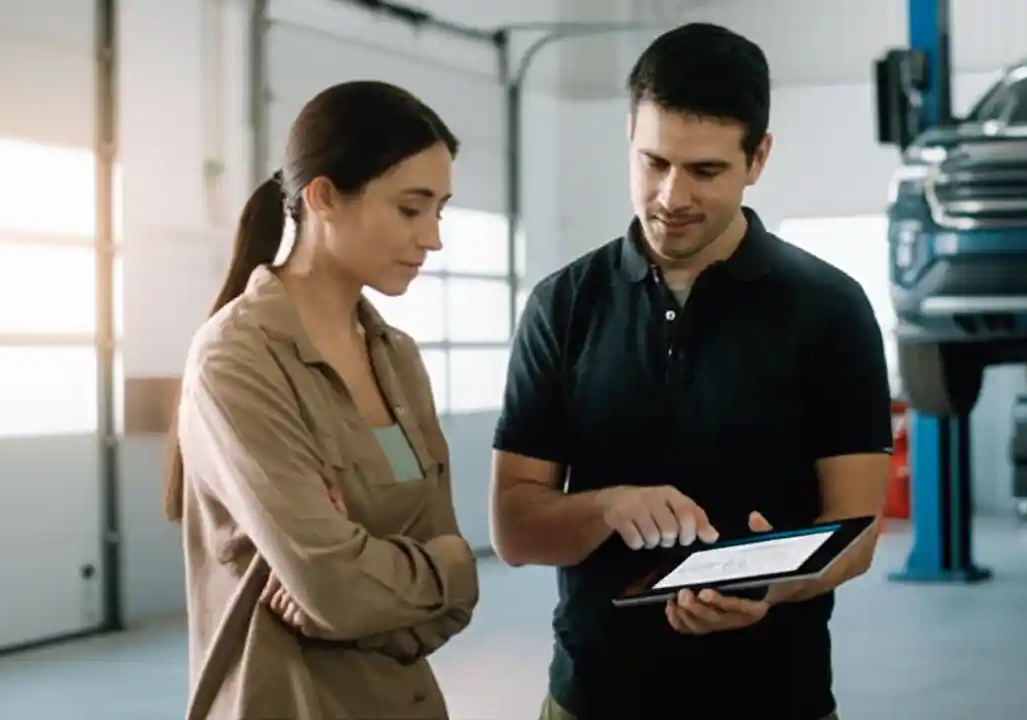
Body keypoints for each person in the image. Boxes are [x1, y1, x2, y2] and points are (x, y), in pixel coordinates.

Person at [489, 23, 892, 720]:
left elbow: (855, 530)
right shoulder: (563, 306)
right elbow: (515, 529)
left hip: (773, 698)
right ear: (629, 137)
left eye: (705, 171)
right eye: (653, 162)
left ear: (758, 157)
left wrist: (773, 585)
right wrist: (606, 505)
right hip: (594, 697)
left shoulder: (830, 308)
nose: (671, 196)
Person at [165, 80, 479, 720]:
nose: (434, 238)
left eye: (440, 210)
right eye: (411, 209)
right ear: (325, 197)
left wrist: (415, 575)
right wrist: (433, 570)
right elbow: (336, 583)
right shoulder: (237, 360)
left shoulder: (398, 358)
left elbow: (455, 579)